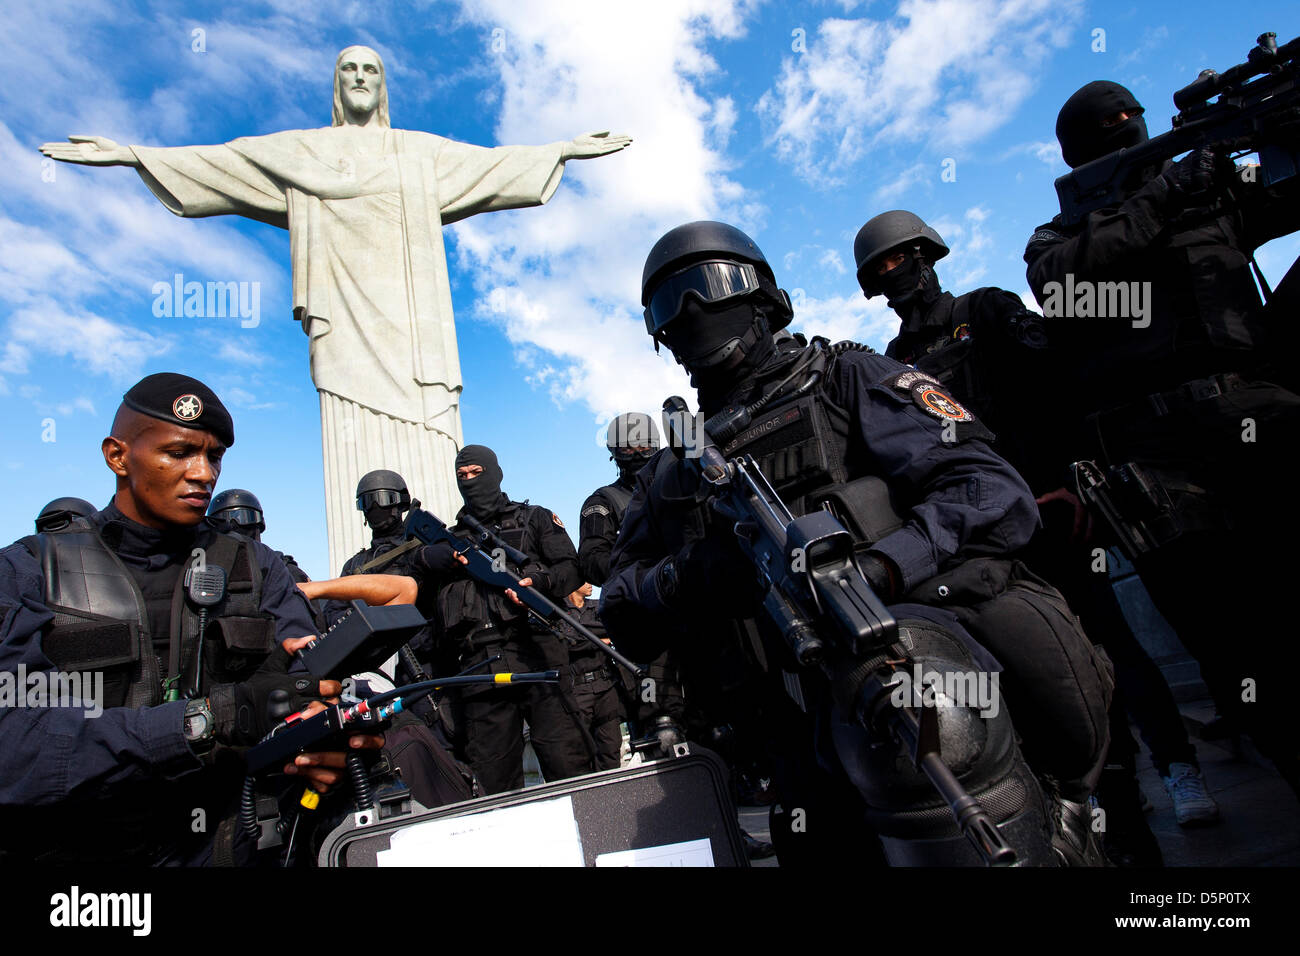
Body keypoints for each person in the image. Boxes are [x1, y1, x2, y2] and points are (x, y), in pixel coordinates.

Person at [601, 221, 1114, 866]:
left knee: (935, 721)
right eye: (669, 301)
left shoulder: (844, 377)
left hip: (904, 654)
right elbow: (618, 604)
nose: (692, 310)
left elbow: (988, 490)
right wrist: (688, 577)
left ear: (764, 297)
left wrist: (882, 567)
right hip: (786, 719)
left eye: (709, 285)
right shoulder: (671, 473)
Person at [40, 45, 632, 572]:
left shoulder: (417, 153)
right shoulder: (305, 153)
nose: (359, 77)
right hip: (345, 326)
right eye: (348, 68)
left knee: (429, 426)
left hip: (414, 327)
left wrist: (562, 150)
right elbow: (225, 162)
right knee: (351, 430)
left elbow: (492, 164)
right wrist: (132, 155)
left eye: (370, 69)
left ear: (382, 85)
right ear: (336, 84)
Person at [853, 210, 1214, 857]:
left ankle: (1176, 764)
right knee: (1034, 673)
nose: (898, 274)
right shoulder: (892, 365)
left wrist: (1069, 482)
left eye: (903, 259)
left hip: (1050, 517)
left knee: (1110, 649)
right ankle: (1106, 814)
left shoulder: (987, 310)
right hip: (972, 547)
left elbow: (1057, 386)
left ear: (928, 256)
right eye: (883, 268)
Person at [1024, 80, 1300, 802]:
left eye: (1133, 123)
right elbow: (1061, 289)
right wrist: (1162, 194)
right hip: (1158, 457)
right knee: (1232, 643)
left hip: (1262, 418)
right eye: (1113, 129)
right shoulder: (1060, 237)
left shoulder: (1214, 194)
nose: (1129, 132)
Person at [0, 372, 383, 865]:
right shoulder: (29, 571)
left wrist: (333, 733)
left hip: (234, 840)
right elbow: (14, 748)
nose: (203, 473)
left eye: (214, 456)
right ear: (117, 456)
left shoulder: (256, 567)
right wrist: (208, 721)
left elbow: (305, 691)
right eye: (179, 453)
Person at [419, 444, 591, 794]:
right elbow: (424, 607)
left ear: (495, 473)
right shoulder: (448, 541)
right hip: (478, 669)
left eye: (476, 473)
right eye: (461, 476)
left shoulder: (535, 519)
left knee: (567, 763)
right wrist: (426, 559)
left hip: (536, 652)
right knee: (493, 782)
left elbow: (571, 568)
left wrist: (539, 583)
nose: (468, 481)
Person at [579, 413, 686, 744]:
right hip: (648, 621)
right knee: (663, 726)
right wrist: (641, 571)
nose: (638, 451)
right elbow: (593, 561)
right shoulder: (604, 502)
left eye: (643, 444)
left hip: (695, 607)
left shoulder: (682, 482)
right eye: (628, 447)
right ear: (615, 451)